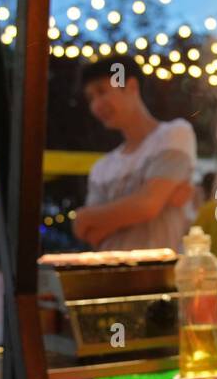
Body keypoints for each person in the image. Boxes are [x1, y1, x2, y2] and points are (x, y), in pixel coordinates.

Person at [73, 57, 196, 251]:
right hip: (109, 275)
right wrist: (150, 202)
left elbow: (148, 205)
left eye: (101, 91)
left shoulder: (174, 133)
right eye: (90, 98)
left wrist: (90, 215)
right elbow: (88, 232)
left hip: (163, 274)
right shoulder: (102, 167)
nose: (96, 105)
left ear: (130, 86)